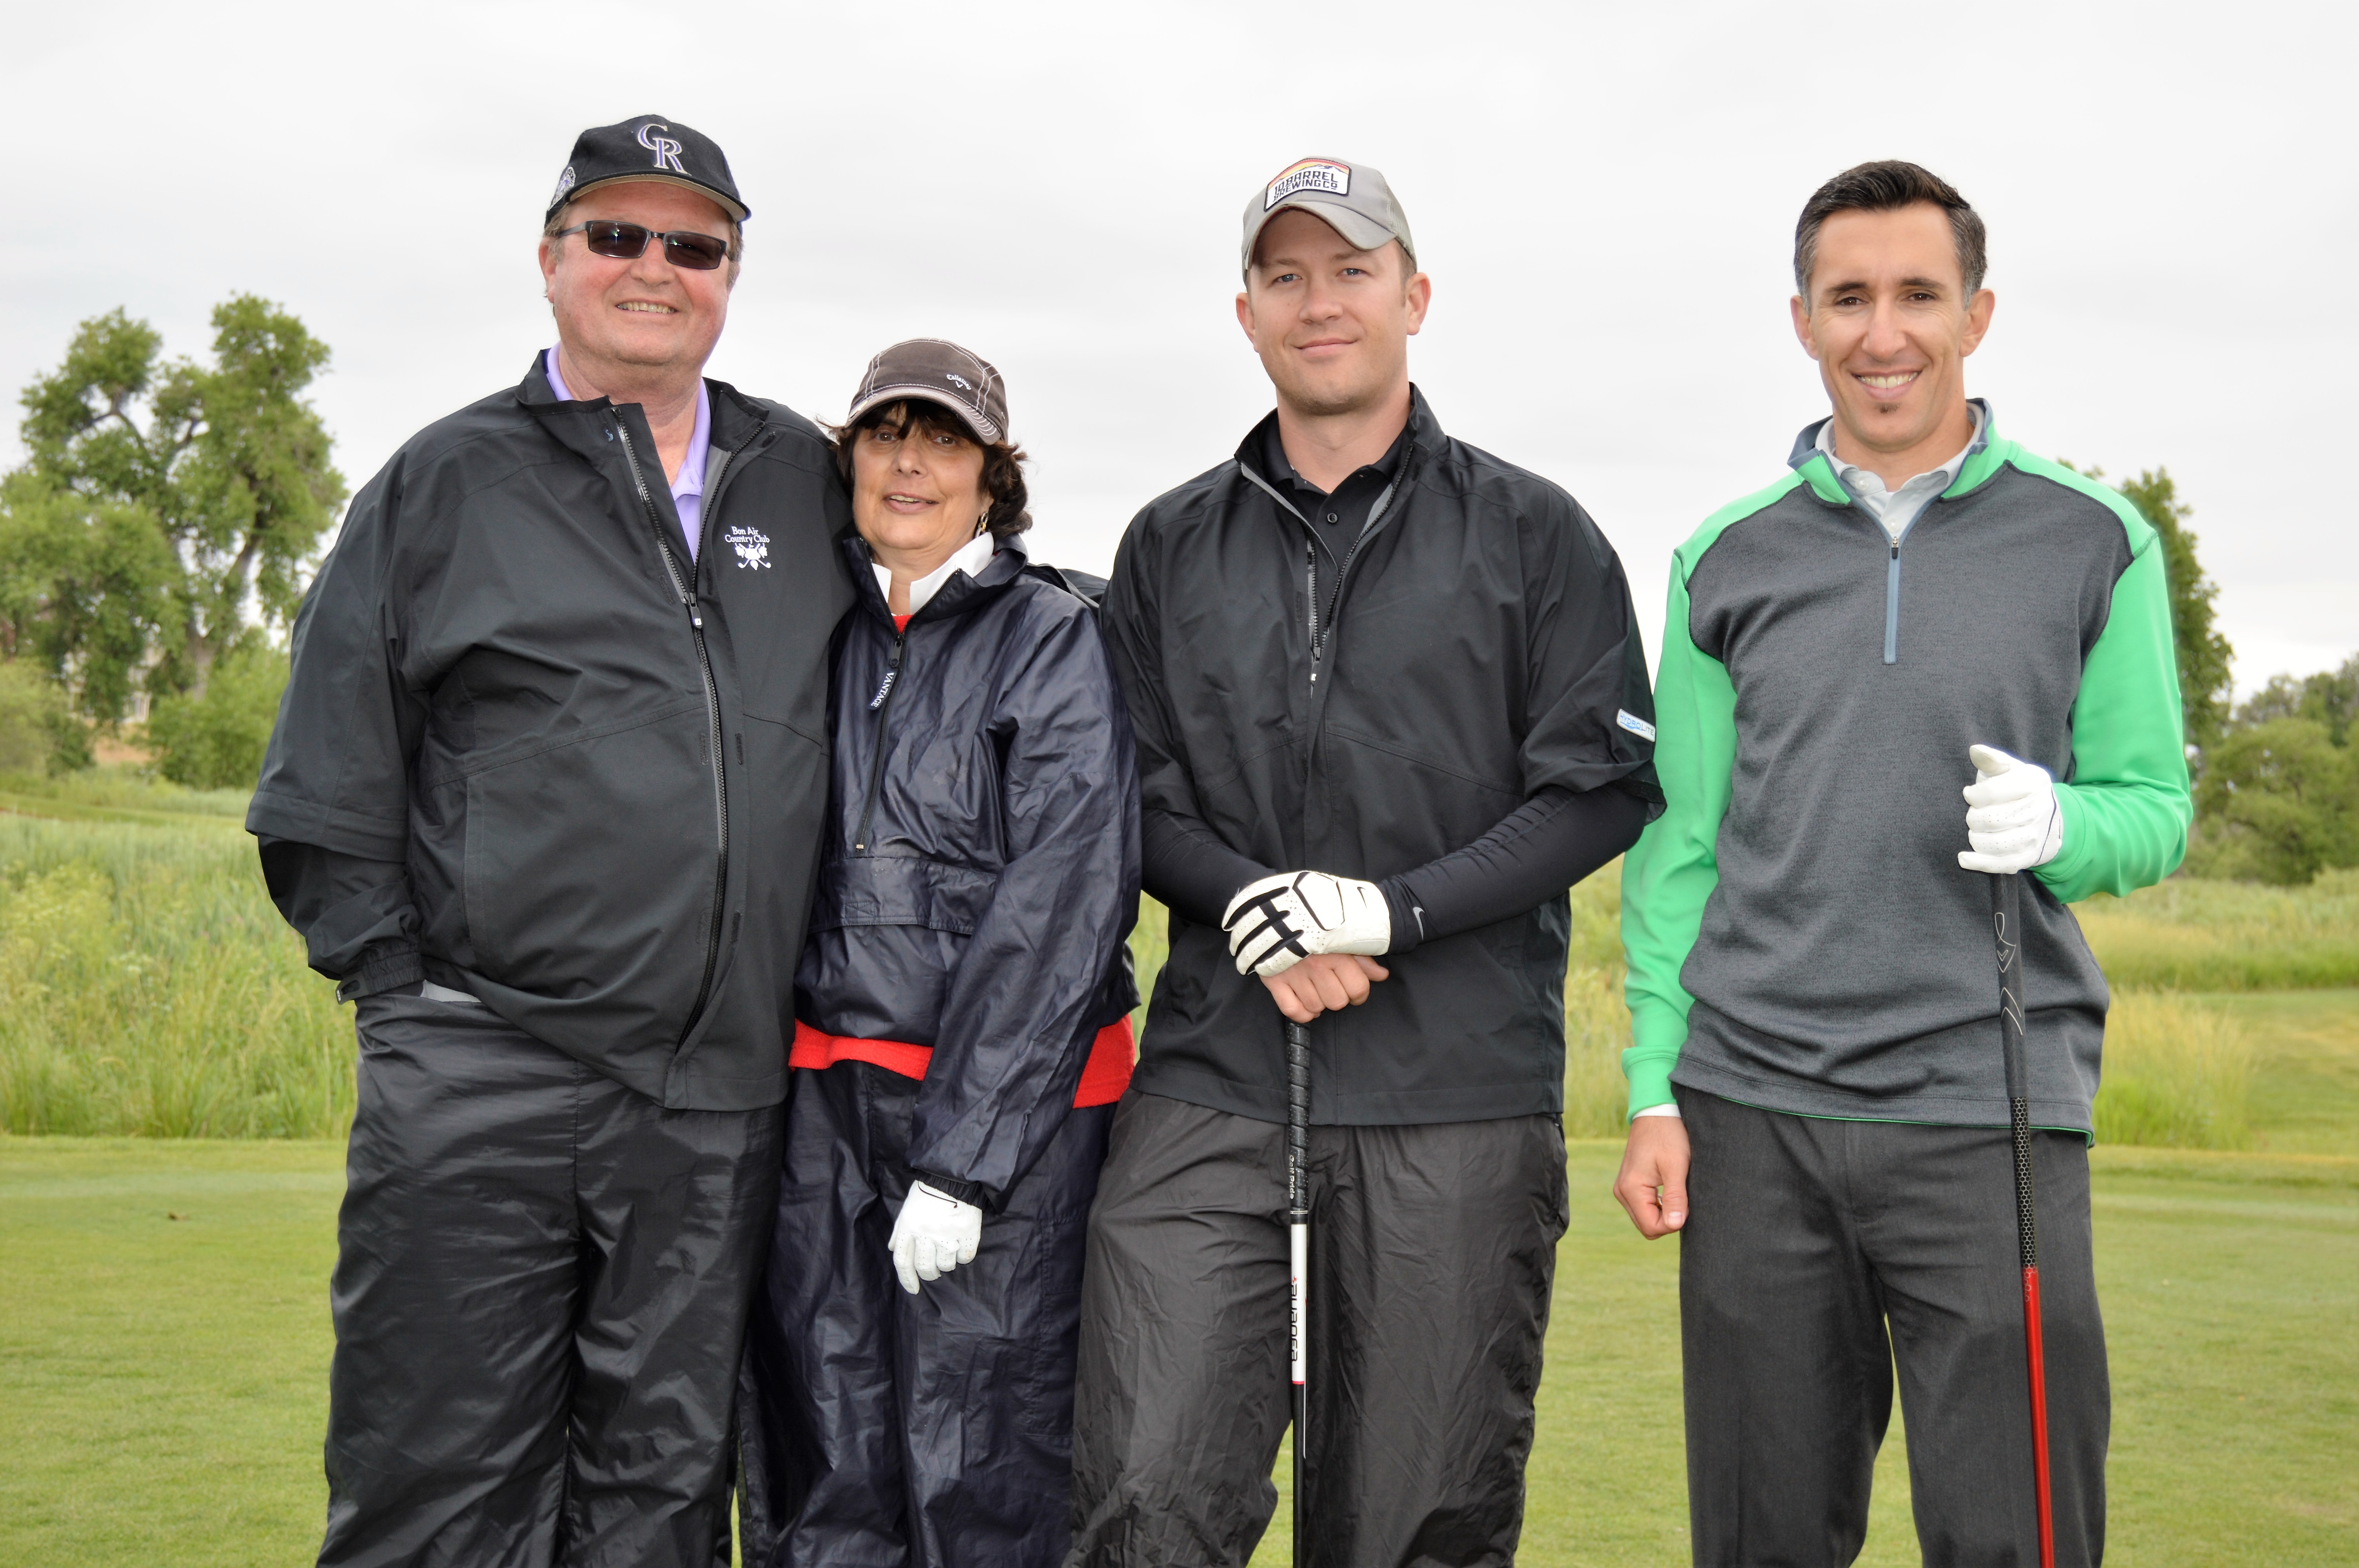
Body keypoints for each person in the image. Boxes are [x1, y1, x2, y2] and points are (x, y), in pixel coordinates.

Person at [247, 114, 854, 1567]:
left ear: (730, 274)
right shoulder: (442, 481)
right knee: (437, 1485)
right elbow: (328, 789)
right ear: (552, 258)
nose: (656, 268)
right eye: (618, 235)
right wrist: (412, 1008)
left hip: (716, 1103)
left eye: (694, 245)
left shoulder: (807, 479)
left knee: (659, 1498)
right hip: (483, 1077)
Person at [1069, 157, 1661, 1567]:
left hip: (1452, 1099)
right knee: (1144, 1500)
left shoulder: (1536, 534)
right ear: (1246, 310)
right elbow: (1127, 793)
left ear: (1415, 295)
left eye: (1350, 270)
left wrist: (1391, 913)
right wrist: (1254, 907)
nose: (1318, 301)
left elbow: (1599, 792)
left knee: (1410, 1524)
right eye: (1287, 275)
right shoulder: (1166, 543)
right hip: (1213, 1083)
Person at [1615, 160, 2192, 1567]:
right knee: (1762, 1538)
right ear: (1803, 320)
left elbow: (2155, 805)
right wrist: (1653, 1091)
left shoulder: (2096, 539)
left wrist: (2067, 826)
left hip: (1990, 1107)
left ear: (1978, 315)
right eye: (1850, 297)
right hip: (1753, 1111)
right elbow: (1679, 854)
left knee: (2019, 1534)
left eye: (1919, 296)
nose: (1885, 333)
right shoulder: (1722, 558)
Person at [736, 341, 1140, 1568]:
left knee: (987, 1474)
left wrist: (965, 1163)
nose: (911, 461)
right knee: (829, 1459)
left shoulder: (1056, 637)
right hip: (822, 1113)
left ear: (991, 478)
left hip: (1007, 1131)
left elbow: (1063, 907)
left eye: (946, 439)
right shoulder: (811, 630)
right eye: (884, 434)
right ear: (849, 457)